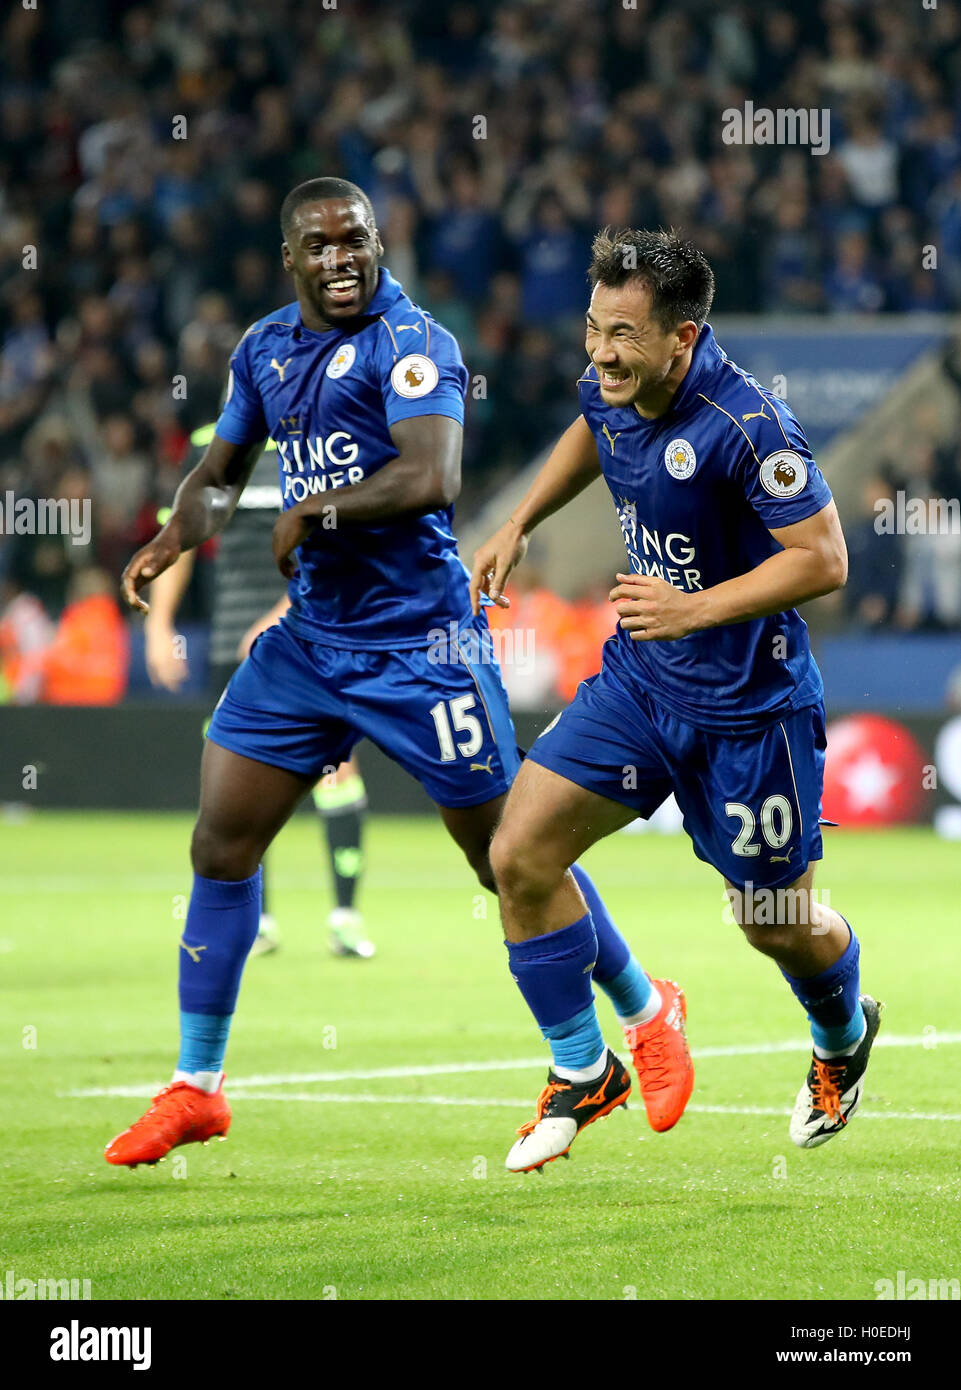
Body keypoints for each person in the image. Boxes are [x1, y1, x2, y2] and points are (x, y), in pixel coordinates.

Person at [106, 179, 691, 1169]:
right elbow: (220, 475)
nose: (341, 259)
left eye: (357, 241)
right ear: (289, 257)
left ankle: (643, 1005)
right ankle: (198, 1087)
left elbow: (432, 475)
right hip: (310, 643)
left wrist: (315, 509)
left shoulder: (414, 343)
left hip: (423, 644)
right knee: (221, 841)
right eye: (320, 245)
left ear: (379, 244)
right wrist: (170, 538)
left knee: (508, 857)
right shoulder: (263, 349)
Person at [472, 229, 881, 1168]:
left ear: (682, 337)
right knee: (518, 853)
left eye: (623, 335)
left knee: (771, 924)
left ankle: (841, 1033)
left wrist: (693, 608)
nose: (600, 353)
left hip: (751, 711)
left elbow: (825, 560)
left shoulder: (748, 428)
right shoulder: (611, 385)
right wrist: (519, 519)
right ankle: (584, 1069)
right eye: (591, 328)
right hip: (641, 680)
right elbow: (590, 423)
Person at [143, 423, 373, 959]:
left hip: (312, 634)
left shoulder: (322, 435)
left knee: (336, 768)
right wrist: (158, 626)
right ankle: (258, 920)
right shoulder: (211, 444)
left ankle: (344, 916)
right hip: (230, 643)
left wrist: (283, 616)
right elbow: (180, 536)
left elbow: (338, 545)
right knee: (238, 778)